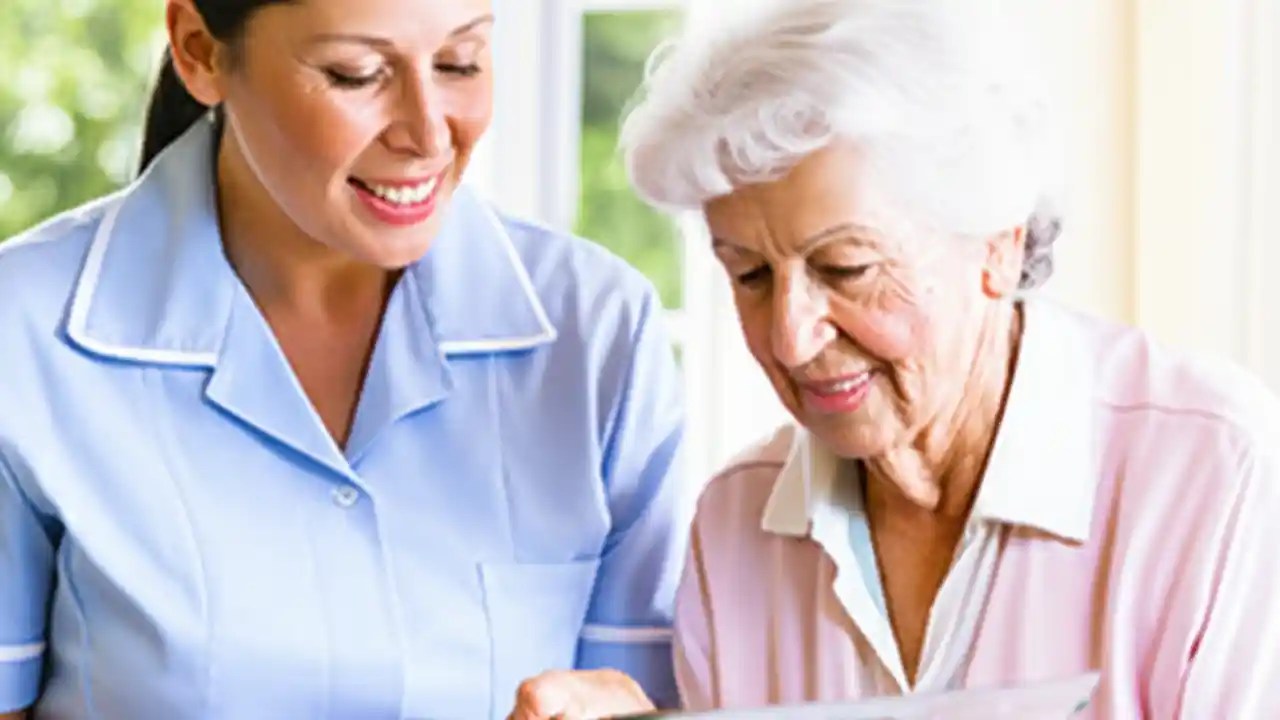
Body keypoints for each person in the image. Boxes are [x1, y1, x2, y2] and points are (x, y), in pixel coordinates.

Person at [510, 0, 1280, 717]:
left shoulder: (1214, 472)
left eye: (847, 268)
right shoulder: (736, 527)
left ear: (999, 248)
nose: (791, 338)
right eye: (749, 275)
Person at [0, 0, 695, 717]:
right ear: (201, 51)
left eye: (461, 62)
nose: (428, 133)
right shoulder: (23, 331)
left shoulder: (597, 333)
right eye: (355, 74)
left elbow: (639, 695)